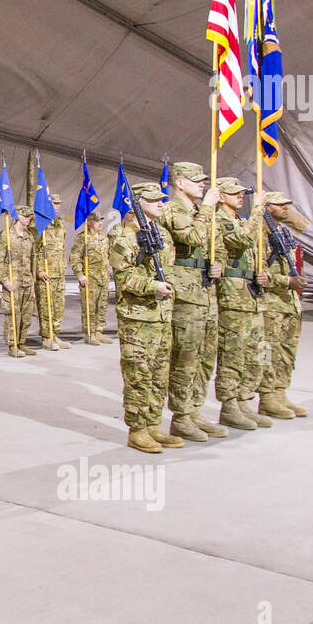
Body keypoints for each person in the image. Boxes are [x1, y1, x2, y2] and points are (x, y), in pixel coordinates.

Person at [109, 184, 184, 453]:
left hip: (162, 315)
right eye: (153, 200)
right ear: (137, 203)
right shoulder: (124, 237)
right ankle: (137, 430)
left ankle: (153, 424)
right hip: (137, 317)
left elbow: (170, 268)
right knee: (138, 374)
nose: (160, 203)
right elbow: (124, 277)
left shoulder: (162, 233)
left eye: (161, 199)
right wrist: (152, 286)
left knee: (159, 374)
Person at [159, 162, 224, 442]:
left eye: (203, 181)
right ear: (180, 183)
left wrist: (218, 263)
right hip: (186, 294)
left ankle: (195, 408)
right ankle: (181, 416)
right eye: (196, 181)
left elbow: (215, 243)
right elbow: (192, 236)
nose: (202, 185)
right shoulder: (172, 209)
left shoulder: (199, 212)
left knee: (206, 356)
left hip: (206, 291)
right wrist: (209, 206)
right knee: (185, 356)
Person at [211, 180, 271, 431]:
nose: (240, 197)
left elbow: (257, 252)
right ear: (221, 196)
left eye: (242, 194)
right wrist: (258, 210)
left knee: (256, 353)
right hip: (233, 297)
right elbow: (242, 240)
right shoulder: (220, 221)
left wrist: (263, 273)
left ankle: (244, 399)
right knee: (233, 352)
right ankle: (229, 406)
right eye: (234, 194)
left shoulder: (241, 219)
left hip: (251, 295)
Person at [258, 191, 308, 418]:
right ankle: (267, 397)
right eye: (280, 205)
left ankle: (280, 391)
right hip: (271, 303)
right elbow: (259, 273)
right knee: (269, 351)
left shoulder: (282, 230)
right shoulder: (261, 233)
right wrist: (287, 281)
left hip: (289, 302)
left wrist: (283, 215)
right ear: (268, 207)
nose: (286, 208)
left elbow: (303, 225)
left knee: (287, 351)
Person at [0, 205, 37, 357]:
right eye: (25, 216)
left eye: (29, 216)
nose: (28, 218)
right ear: (17, 216)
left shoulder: (29, 236)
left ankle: (22, 342)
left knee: (26, 314)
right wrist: (4, 280)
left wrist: (33, 278)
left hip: (27, 281)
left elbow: (33, 260)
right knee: (13, 314)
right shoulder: (6, 235)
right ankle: (12, 345)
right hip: (13, 282)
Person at [70, 210, 112, 345]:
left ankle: (99, 331)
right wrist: (80, 275)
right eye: (97, 221)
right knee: (90, 307)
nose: (100, 223)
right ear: (89, 223)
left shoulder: (104, 238)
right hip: (90, 278)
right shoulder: (83, 238)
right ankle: (89, 333)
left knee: (102, 306)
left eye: (101, 220)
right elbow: (75, 257)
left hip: (103, 277)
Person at [35, 194, 69, 349]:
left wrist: (63, 263)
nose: (58, 206)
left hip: (59, 271)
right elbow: (33, 249)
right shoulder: (39, 223)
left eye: (59, 204)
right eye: (55, 203)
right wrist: (38, 269)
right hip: (46, 273)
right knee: (46, 305)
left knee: (58, 305)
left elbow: (62, 245)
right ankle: (46, 338)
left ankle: (55, 334)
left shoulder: (60, 223)